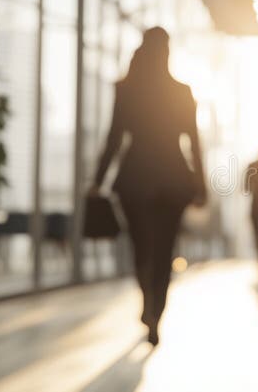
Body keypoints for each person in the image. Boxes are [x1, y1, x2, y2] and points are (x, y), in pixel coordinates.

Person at [91, 27, 207, 346]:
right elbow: (194, 141)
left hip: (135, 177)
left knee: (142, 247)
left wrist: (98, 181)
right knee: (164, 249)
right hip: (172, 177)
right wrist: (200, 184)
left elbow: (114, 138)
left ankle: (149, 303)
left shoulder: (127, 89)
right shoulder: (182, 91)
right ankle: (156, 311)